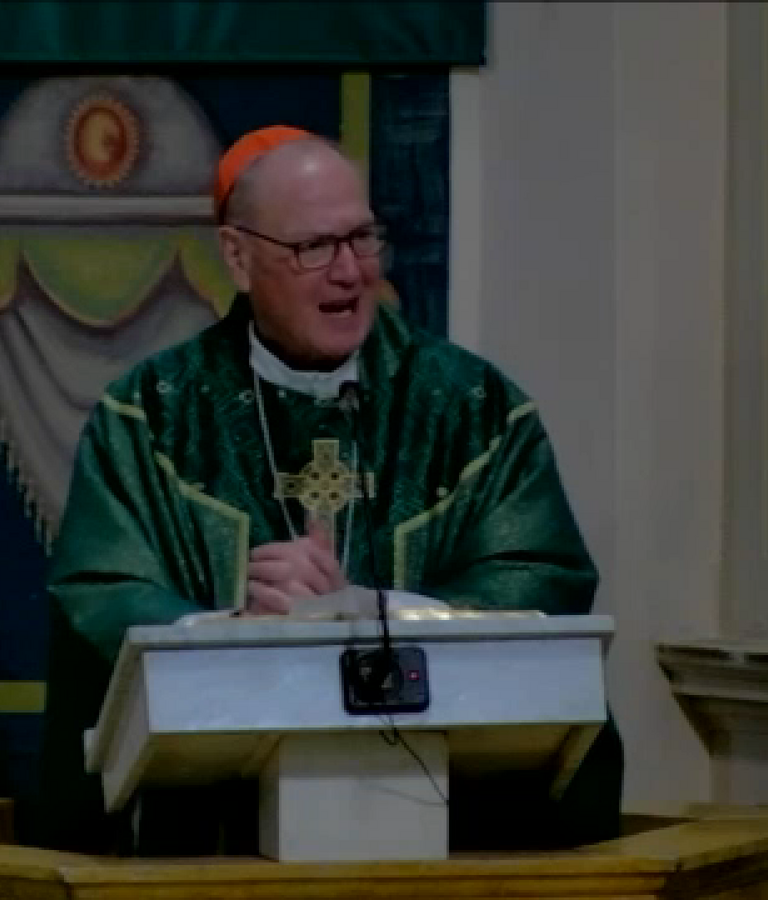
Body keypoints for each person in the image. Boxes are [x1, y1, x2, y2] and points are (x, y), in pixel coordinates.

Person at [35, 126, 623, 856]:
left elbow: (540, 580)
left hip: (447, 848)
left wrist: (378, 613)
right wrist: (233, 627)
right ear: (238, 257)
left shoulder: (473, 410)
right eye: (314, 246)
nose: (349, 272)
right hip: (211, 853)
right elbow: (102, 593)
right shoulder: (151, 415)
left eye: (362, 238)